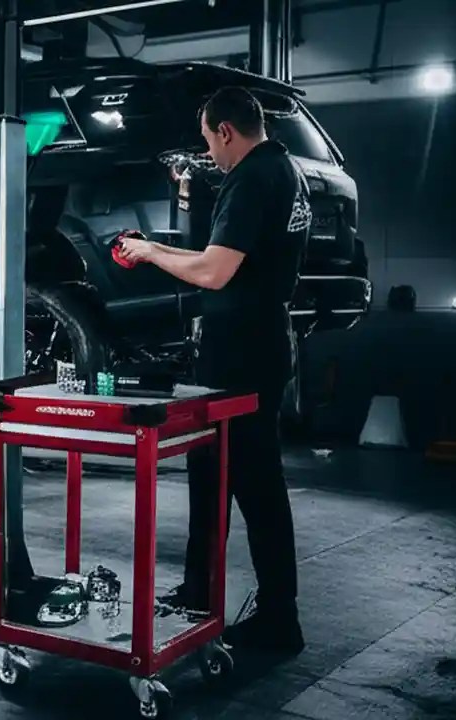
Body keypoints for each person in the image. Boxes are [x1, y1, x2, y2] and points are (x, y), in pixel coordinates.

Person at [117, 86, 310, 655]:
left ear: (226, 130)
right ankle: (200, 593)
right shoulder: (285, 170)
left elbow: (215, 273)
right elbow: (212, 262)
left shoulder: (251, 178)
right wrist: (153, 247)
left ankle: (280, 620)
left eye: (209, 139)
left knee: (255, 484)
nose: (210, 153)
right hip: (254, 340)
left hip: (244, 352)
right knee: (211, 475)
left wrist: (150, 254)